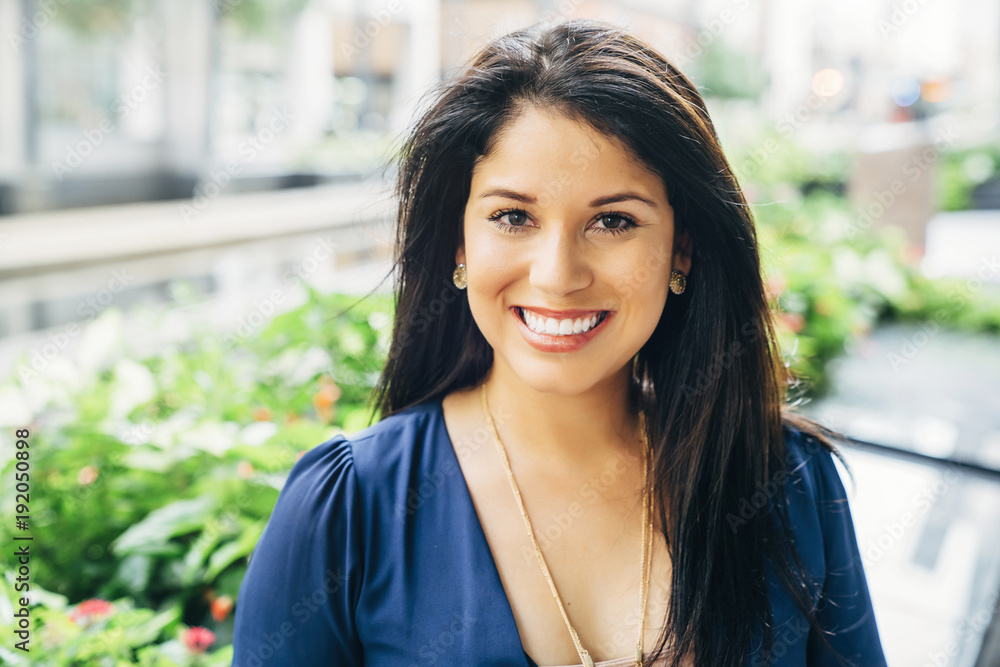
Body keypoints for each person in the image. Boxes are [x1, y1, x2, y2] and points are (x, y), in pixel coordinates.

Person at [232, 18, 888, 667]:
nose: (557, 275)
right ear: (460, 242)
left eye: (613, 220)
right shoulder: (350, 509)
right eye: (513, 216)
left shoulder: (787, 482)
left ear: (680, 247)